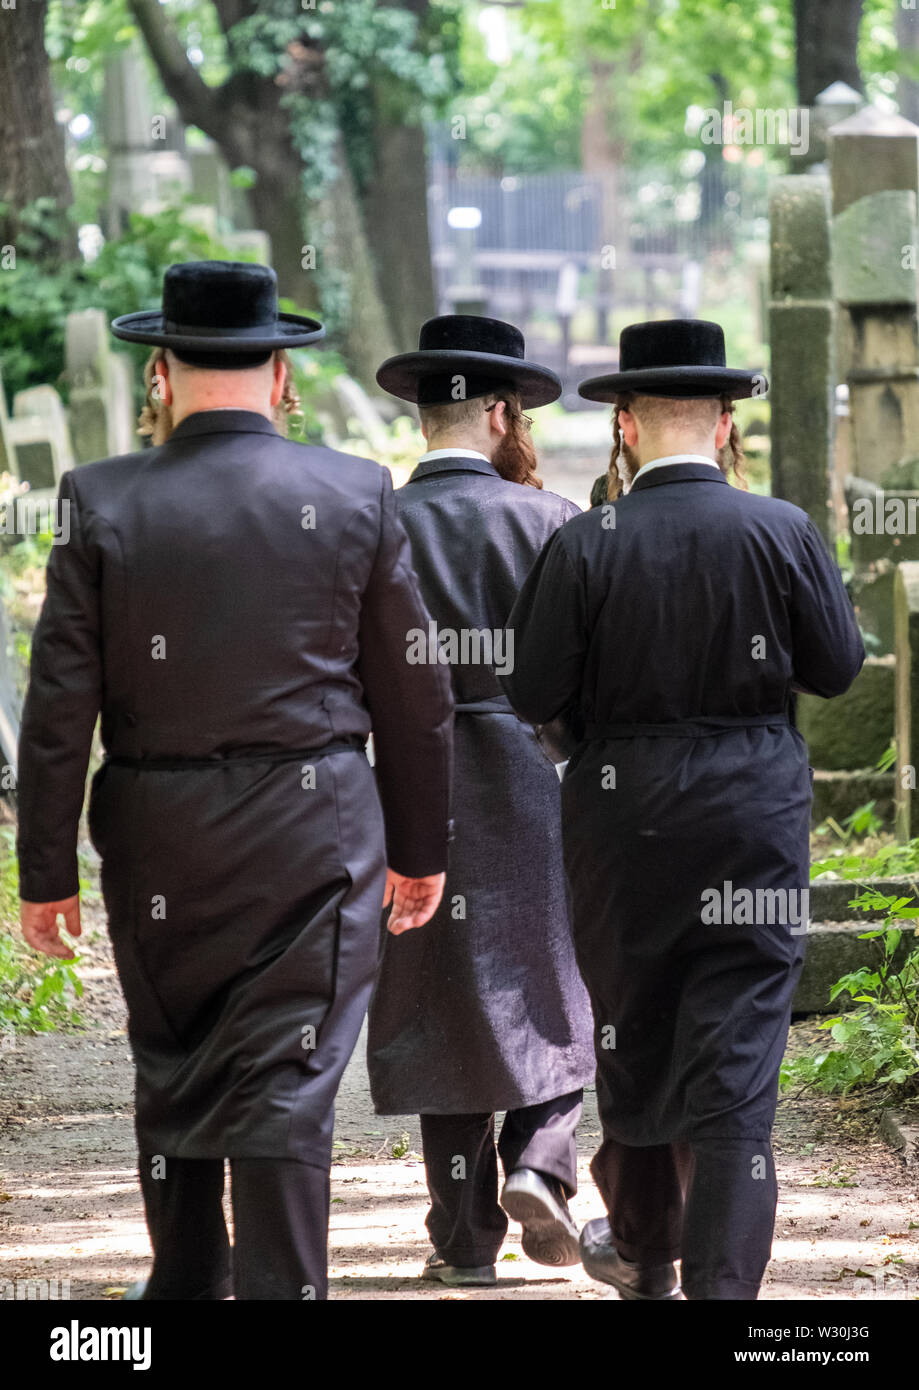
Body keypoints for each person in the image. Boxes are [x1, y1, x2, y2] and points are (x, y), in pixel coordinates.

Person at [16, 260, 454, 1302]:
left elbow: (56, 709)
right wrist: (420, 847)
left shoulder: (101, 499)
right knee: (289, 1079)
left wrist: (45, 872)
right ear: (281, 373)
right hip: (315, 826)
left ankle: (185, 1284)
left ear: (158, 372)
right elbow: (415, 692)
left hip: (158, 826)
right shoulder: (352, 492)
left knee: (172, 1060)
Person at [501, 319, 865, 1301]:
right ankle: (720, 1291)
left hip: (622, 825)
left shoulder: (585, 545)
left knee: (635, 1031)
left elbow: (531, 690)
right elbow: (835, 666)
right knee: (738, 1064)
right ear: (723, 419)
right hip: (750, 818)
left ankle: (645, 1245)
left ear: (623, 424)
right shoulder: (780, 530)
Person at [367, 316, 595, 1287]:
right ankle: (542, 1158)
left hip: (407, 781)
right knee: (559, 982)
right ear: (500, 412)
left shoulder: (373, 520)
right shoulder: (549, 521)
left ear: (426, 414)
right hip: (529, 770)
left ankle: (463, 1241)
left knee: (438, 1003)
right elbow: (588, 672)